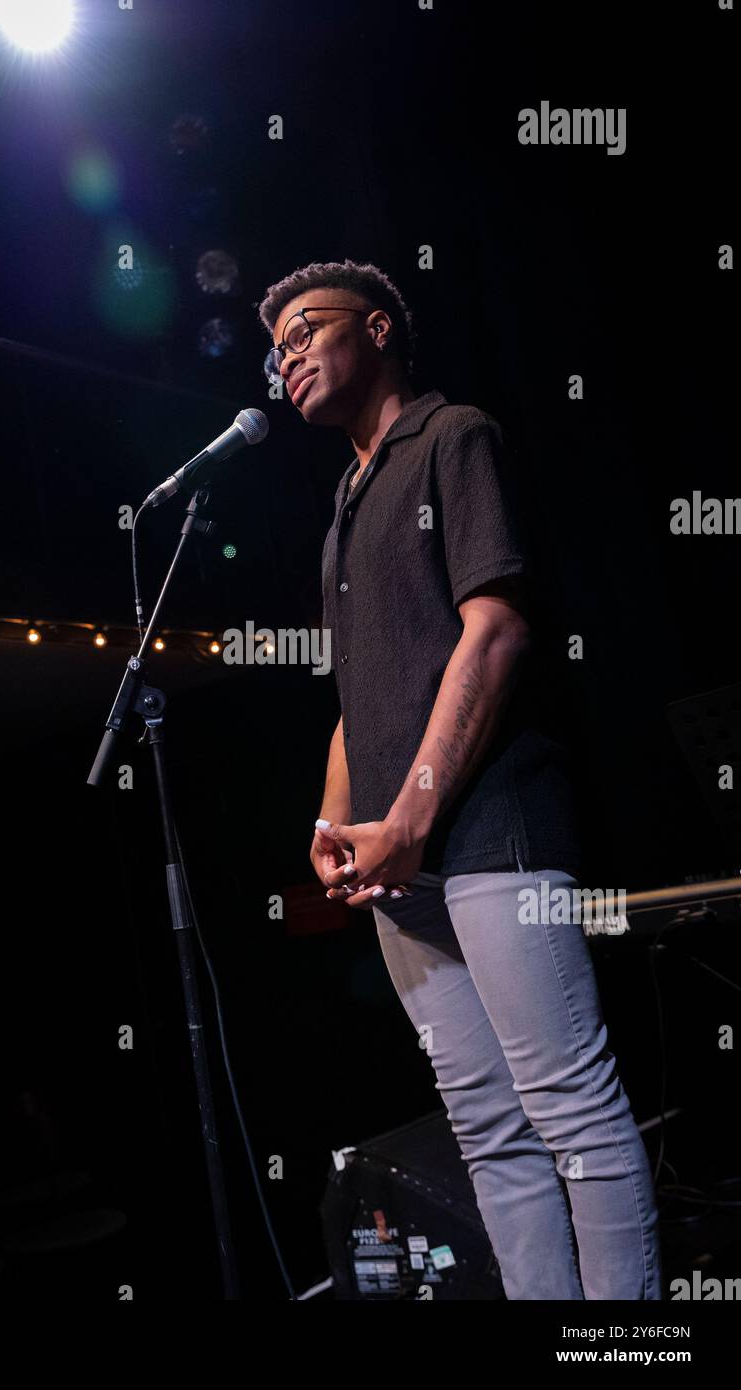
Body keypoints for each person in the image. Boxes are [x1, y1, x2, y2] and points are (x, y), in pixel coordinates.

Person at [256, 258, 661, 1300]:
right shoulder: (343, 504)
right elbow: (357, 691)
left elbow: (496, 628)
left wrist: (414, 815)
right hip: (399, 861)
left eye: (307, 326)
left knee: (567, 1105)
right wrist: (335, 817)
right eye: (276, 343)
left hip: (488, 830)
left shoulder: (453, 436)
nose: (287, 352)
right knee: (486, 1126)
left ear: (380, 327)